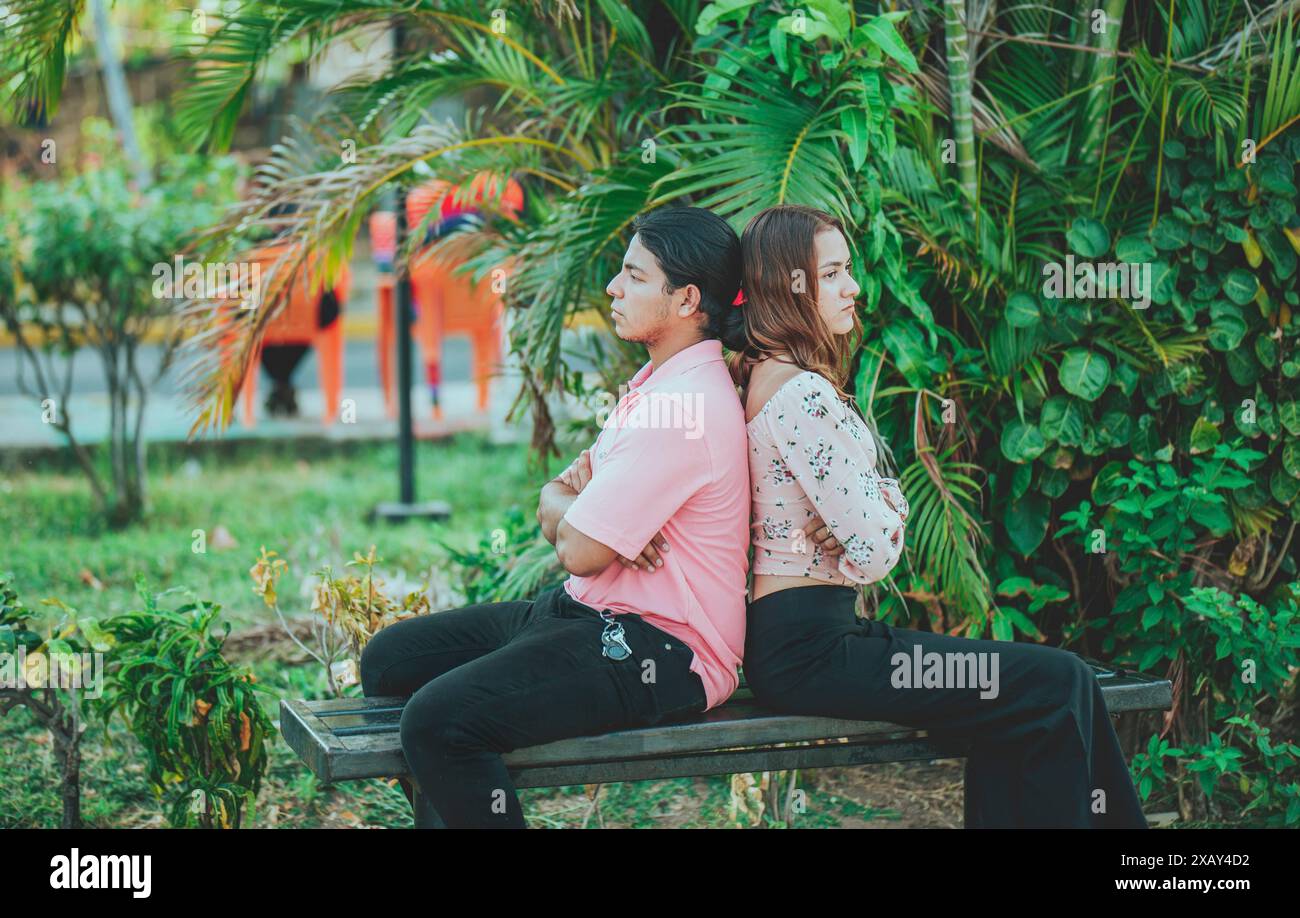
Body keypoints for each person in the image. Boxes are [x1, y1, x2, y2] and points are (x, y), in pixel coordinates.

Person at [730, 203, 1148, 828]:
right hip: (816, 650)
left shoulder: (766, 377)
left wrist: (876, 504)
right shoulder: (801, 394)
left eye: (850, 270)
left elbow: (870, 521)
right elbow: (875, 552)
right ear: (788, 285)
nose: (854, 288)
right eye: (833, 274)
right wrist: (877, 508)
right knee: (1056, 682)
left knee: (1037, 691)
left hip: (807, 642)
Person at [359, 205, 751, 828]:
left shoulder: (685, 406)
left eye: (633, 275)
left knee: (439, 721)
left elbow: (576, 547)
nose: (613, 288)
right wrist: (572, 508)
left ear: (686, 300)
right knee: (389, 662)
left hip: (659, 647)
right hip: (581, 610)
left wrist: (577, 515)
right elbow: (562, 505)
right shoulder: (657, 383)